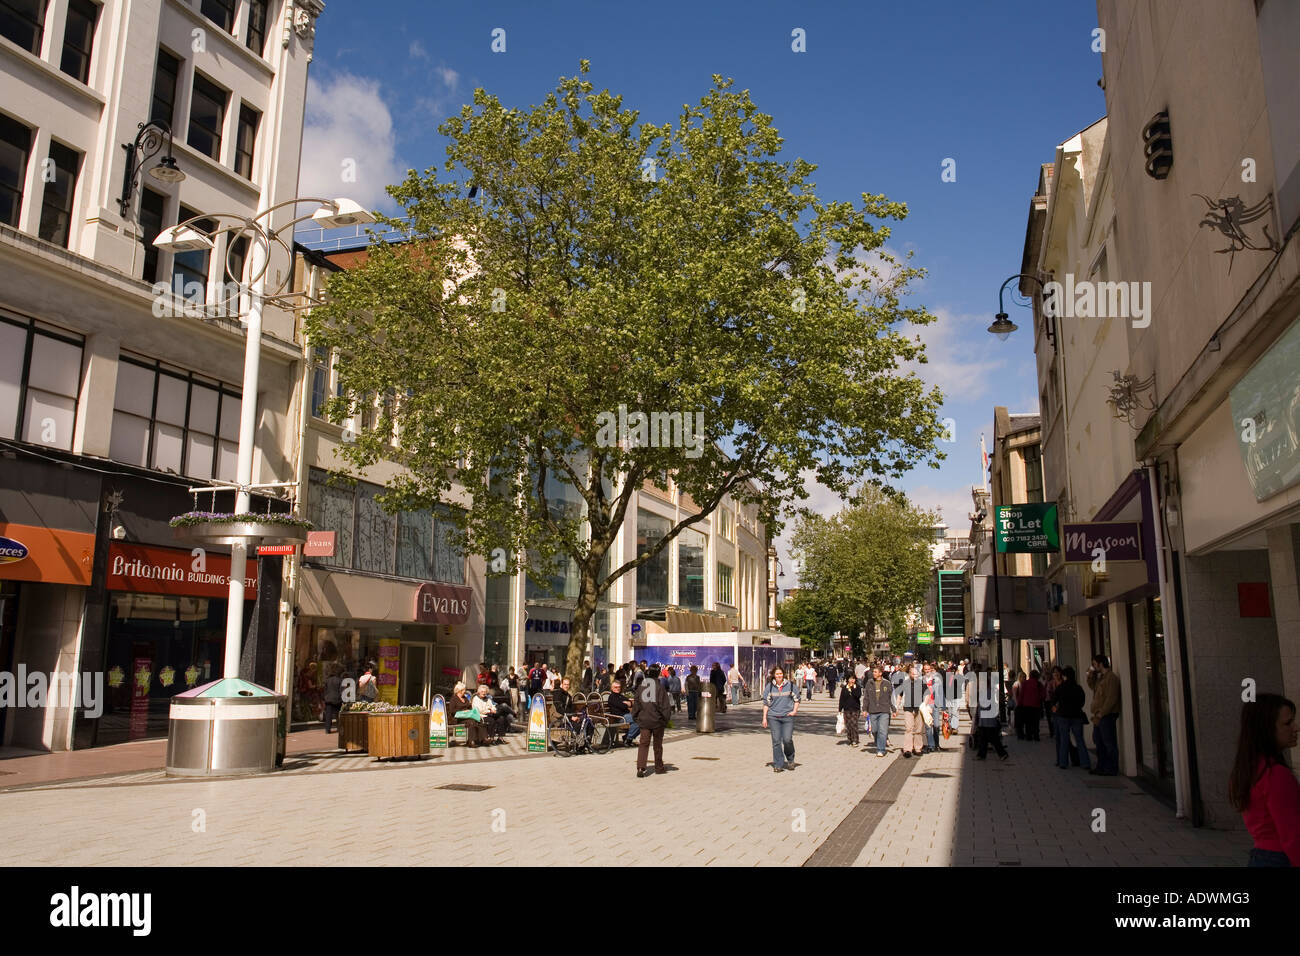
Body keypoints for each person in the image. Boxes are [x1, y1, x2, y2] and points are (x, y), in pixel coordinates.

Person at [1229, 693, 1300, 866]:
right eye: (1287, 723)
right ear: (1266, 728)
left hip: (1261, 856)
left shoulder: (1250, 768)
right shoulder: (1275, 774)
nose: (1296, 727)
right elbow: (1293, 835)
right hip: (1281, 858)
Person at [632, 665, 672, 777]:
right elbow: (664, 705)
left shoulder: (641, 686)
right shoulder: (660, 687)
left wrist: (635, 716)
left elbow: (637, 703)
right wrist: (666, 718)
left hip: (644, 719)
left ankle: (641, 767)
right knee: (657, 745)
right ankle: (659, 767)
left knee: (643, 744)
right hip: (657, 720)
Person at [1086, 654, 1122, 775]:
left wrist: (1102, 713)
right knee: (1098, 740)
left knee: (1108, 742)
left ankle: (1111, 768)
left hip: (1106, 715)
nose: (1094, 666)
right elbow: (1092, 687)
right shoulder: (1101, 678)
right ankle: (1101, 765)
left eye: (1095, 664)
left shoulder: (1111, 678)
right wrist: (1090, 675)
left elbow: (1111, 698)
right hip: (1098, 715)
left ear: (1101, 664)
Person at [1051, 666, 1090, 770]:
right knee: (1079, 739)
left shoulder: (1061, 687)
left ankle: (1063, 763)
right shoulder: (1078, 688)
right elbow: (1082, 702)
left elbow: (1053, 700)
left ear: (1065, 676)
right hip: (1077, 716)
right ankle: (1085, 763)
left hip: (1063, 716)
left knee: (1064, 739)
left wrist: (1056, 707)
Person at [762, 666, 800, 772]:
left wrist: (794, 711)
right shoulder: (769, 687)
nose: (779, 676)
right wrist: (764, 718)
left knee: (787, 740)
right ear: (774, 675)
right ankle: (778, 764)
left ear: (783, 674)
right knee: (776, 741)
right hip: (773, 717)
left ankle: (790, 759)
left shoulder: (791, 686)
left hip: (787, 717)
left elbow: (797, 700)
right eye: (777, 674)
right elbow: (766, 704)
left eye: (781, 674)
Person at [863, 665, 893, 757]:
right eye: (873, 672)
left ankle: (881, 749)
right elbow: (866, 697)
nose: (873, 673)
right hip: (873, 710)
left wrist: (894, 709)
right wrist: (864, 709)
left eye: (875, 672)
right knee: (875, 730)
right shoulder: (869, 683)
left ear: (880, 673)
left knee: (882, 731)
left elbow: (891, 698)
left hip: (884, 710)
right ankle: (878, 742)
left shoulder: (887, 683)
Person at [896, 664, 925, 758]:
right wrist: (897, 706)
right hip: (908, 708)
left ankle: (917, 748)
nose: (914, 676)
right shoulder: (905, 683)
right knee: (908, 729)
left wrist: (927, 705)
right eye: (913, 674)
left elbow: (928, 694)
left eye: (916, 674)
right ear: (909, 674)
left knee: (918, 729)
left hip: (919, 708)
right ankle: (907, 749)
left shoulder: (921, 683)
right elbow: (899, 695)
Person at [451, 681, 487, 747]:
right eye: (464, 690)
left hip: (467, 716)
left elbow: (470, 707)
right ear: (459, 690)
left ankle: (484, 738)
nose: (465, 691)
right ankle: (471, 741)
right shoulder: (454, 699)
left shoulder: (465, 698)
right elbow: (452, 711)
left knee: (478, 719)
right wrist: (463, 711)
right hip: (458, 718)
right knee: (471, 722)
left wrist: (470, 711)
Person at [1018, 669, 1044, 742]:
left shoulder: (1025, 683)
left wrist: (1020, 704)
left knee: (1028, 722)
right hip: (1036, 705)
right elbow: (1043, 695)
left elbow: (1021, 695)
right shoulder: (1039, 684)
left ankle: (1029, 736)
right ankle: (1036, 736)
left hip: (1026, 706)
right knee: (1036, 722)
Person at [607, 679, 636, 743]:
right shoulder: (612, 697)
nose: (618, 689)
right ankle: (628, 738)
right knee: (638, 719)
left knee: (642, 720)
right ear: (612, 688)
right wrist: (627, 704)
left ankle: (627, 737)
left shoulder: (620, 696)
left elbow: (630, 703)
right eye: (616, 687)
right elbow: (623, 706)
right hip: (619, 717)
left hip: (626, 715)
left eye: (619, 687)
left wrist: (628, 703)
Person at [838, 675, 861, 747]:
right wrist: (840, 709)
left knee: (854, 724)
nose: (851, 680)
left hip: (855, 708)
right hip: (847, 708)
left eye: (853, 679)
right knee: (848, 725)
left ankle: (855, 740)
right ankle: (850, 739)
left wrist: (853, 688)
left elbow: (858, 695)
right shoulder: (844, 688)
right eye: (850, 679)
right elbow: (841, 699)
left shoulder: (857, 687)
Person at [322, 664, 343, 733]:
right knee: (338, 715)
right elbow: (341, 691)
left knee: (328, 715)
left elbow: (325, 690)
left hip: (328, 699)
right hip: (337, 699)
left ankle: (327, 729)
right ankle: (339, 728)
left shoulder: (327, 680)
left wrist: (324, 697)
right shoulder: (340, 680)